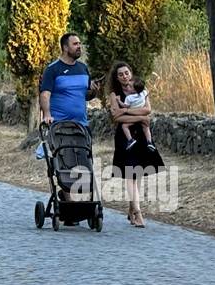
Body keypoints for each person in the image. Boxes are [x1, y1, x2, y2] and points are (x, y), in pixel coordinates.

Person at [106, 60, 165, 228]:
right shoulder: (114, 94)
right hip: (126, 138)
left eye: (127, 73)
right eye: (120, 74)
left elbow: (148, 110)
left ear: (131, 73)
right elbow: (116, 117)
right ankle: (138, 213)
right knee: (130, 174)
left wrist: (127, 112)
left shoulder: (140, 89)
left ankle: (132, 208)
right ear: (116, 78)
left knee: (137, 173)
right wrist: (139, 117)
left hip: (141, 136)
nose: (125, 76)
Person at [36, 32, 100, 160]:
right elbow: (45, 94)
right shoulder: (53, 69)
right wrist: (47, 115)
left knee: (85, 165)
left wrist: (94, 91)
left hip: (81, 126)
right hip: (61, 127)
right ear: (65, 48)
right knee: (65, 165)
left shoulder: (83, 68)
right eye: (75, 44)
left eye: (80, 44)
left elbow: (85, 95)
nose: (79, 47)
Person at [117, 81, 154, 152]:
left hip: (133, 117)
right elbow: (147, 91)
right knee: (146, 128)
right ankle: (149, 142)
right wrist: (142, 86)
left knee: (124, 126)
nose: (127, 87)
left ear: (134, 90)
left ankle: (130, 140)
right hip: (142, 115)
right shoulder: (143, 93)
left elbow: (125, 106)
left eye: (130, 86)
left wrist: (118, 101)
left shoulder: (129, 98)